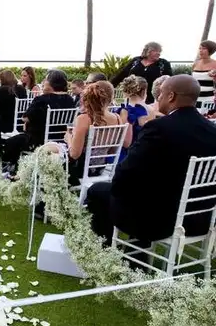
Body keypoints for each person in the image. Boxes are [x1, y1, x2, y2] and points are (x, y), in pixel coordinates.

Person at [86, 75, 216, 245]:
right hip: (197, 219)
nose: (158, 97)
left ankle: (104, 252)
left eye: (161, 93)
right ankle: (137, 252)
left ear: (171, 96)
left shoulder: (159, 127)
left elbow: (127, 171)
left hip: (158, 221)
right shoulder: (212, 130)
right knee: (143, 193)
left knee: (98, 191)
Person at [1, 70, 75, 168]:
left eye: (46, 80)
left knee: (10, 142)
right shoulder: (70, 100)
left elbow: (25, 118)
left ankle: (11, 167)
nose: (44, 82)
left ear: (51, 83)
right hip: (61, 140)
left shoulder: (42, 99)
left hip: (38, 139)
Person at [63, 81, 132, 184]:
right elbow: (112, 151)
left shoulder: (84, 118)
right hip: (100, 169)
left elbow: (74, 154)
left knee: (45, 153)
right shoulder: (117, 119)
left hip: (77, 170)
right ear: (111, 98)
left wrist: (68, 137)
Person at [0, 70, 27, 156]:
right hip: (20, 123)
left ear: (3, 79)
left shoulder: (0, 90)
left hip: (5, 124)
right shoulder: (21, 89)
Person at [117, 75, 150, 147]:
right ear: (144, 91)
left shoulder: (126, 111)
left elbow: (125, 142)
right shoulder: (151, 109)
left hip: (129, 151)